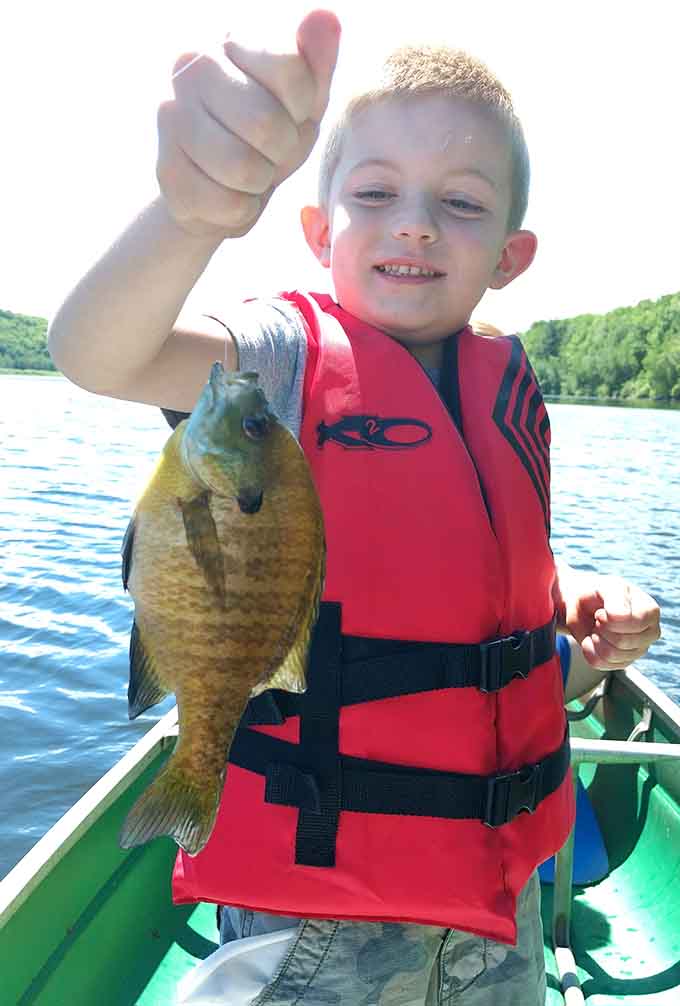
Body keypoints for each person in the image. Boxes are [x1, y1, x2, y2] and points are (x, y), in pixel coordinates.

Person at [48, 11, 662, 1004]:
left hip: (501, 910)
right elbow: (95, 353)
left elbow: (488, 594)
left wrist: (578, 615)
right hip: (315, 915)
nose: (413, 222)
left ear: (510, 254)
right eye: (374, 192)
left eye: (459, 203)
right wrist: (189, 216)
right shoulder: (278, 358)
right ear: (317, 229)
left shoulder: (505, 384)